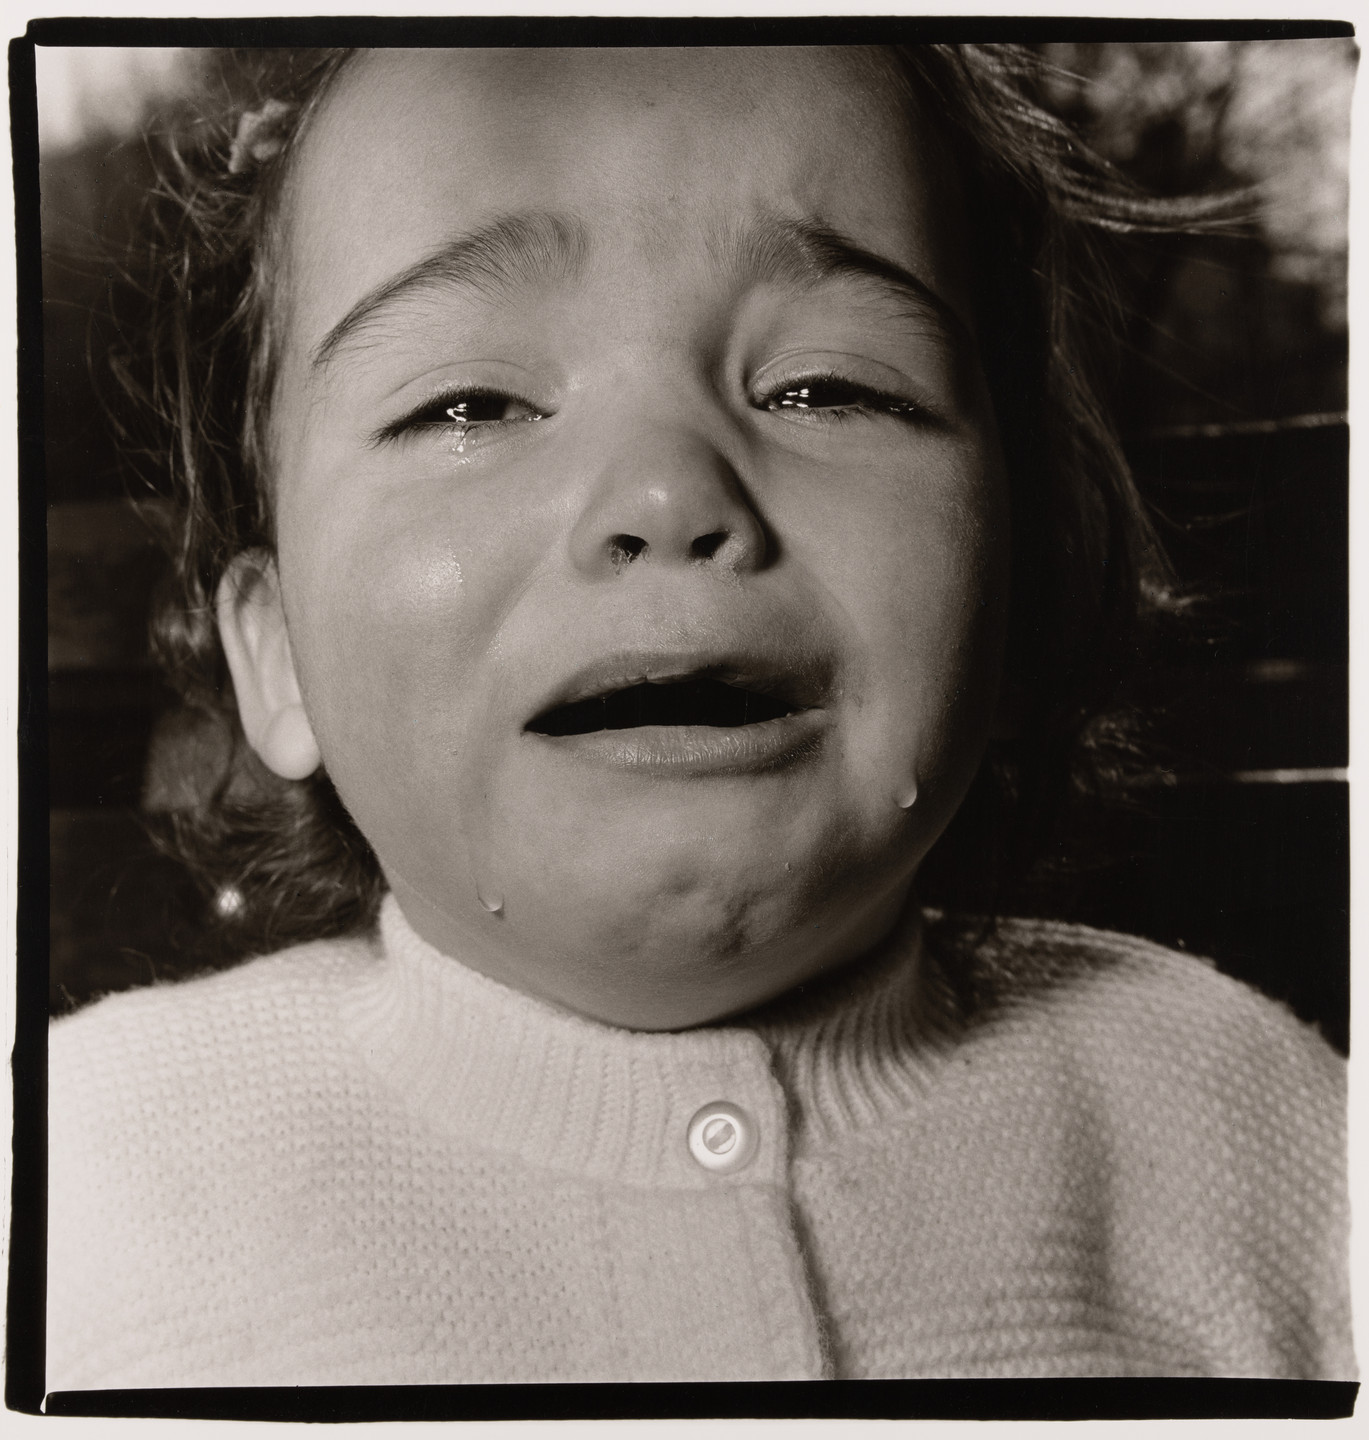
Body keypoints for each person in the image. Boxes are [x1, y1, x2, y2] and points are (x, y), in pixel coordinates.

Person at [46, 44, 1353, 1388]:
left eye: (828, 386)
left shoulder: (1259, 1137)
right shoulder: (86, 1178)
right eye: (469, 403)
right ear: (277, 659)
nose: (669, 494)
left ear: (1017, 581)